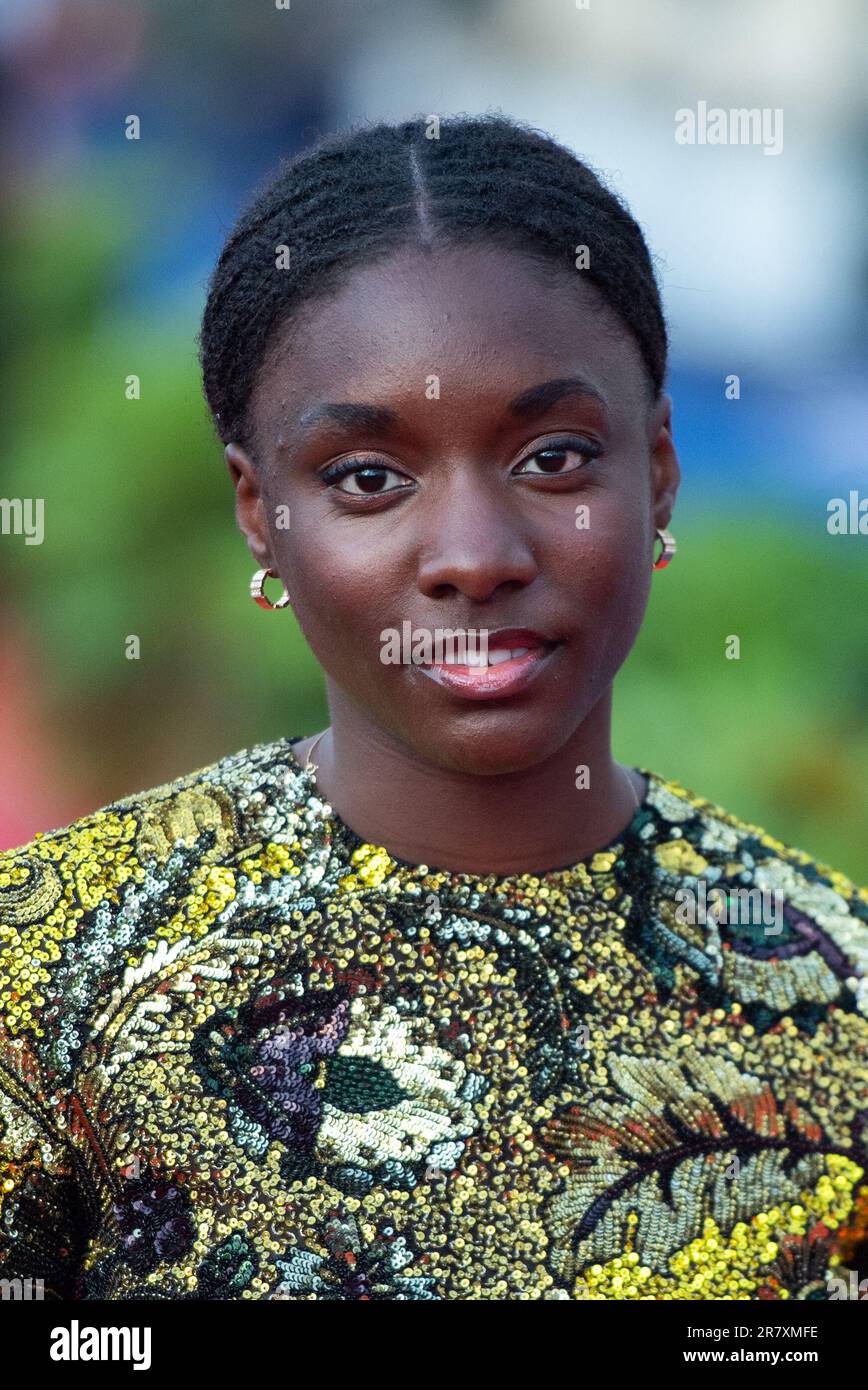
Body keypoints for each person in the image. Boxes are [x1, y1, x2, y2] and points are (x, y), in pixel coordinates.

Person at [1, 114, 866, 1302]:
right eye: (368, 478)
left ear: (659, 469)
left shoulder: (839, 997)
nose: (473, 553)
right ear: (260, 512)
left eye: (554, 457)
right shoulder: (49, 974)